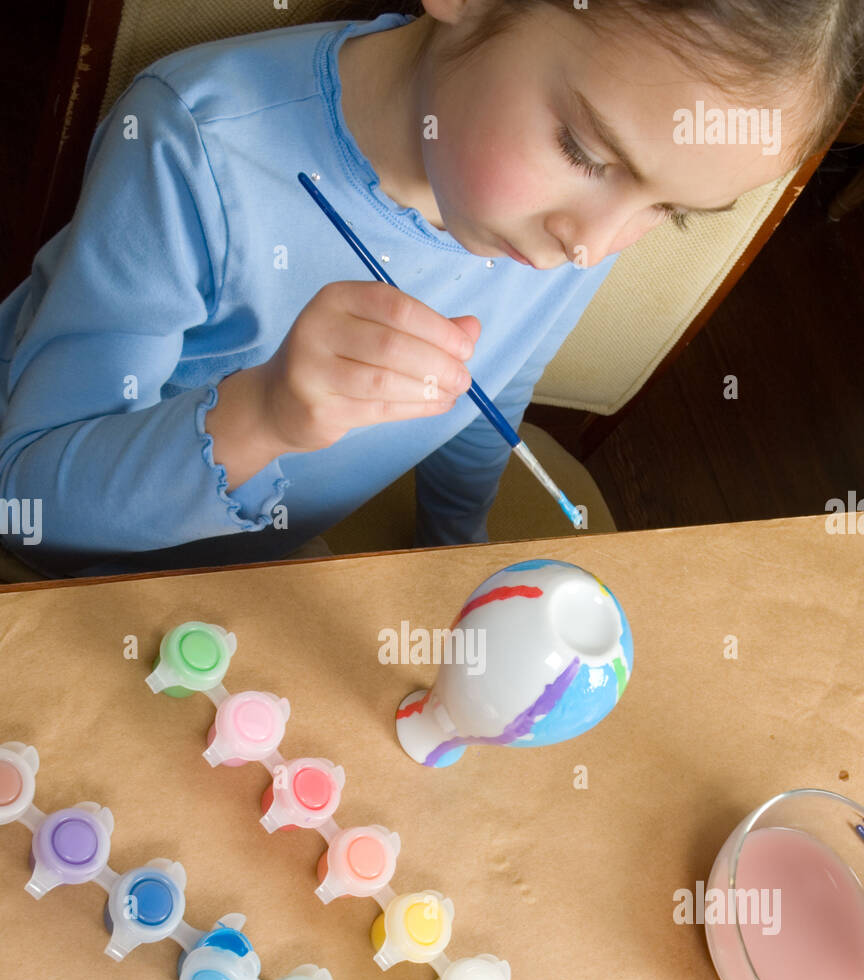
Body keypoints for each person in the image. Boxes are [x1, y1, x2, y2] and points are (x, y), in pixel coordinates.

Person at [0, 0, 860, 577]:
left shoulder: (568, 230)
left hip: (253, 577)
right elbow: (23, 501)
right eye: (586, 154)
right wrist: (260, 415)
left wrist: (453, 550)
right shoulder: (194, 144)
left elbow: (494, 389)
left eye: (669, 211)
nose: (593, 245)